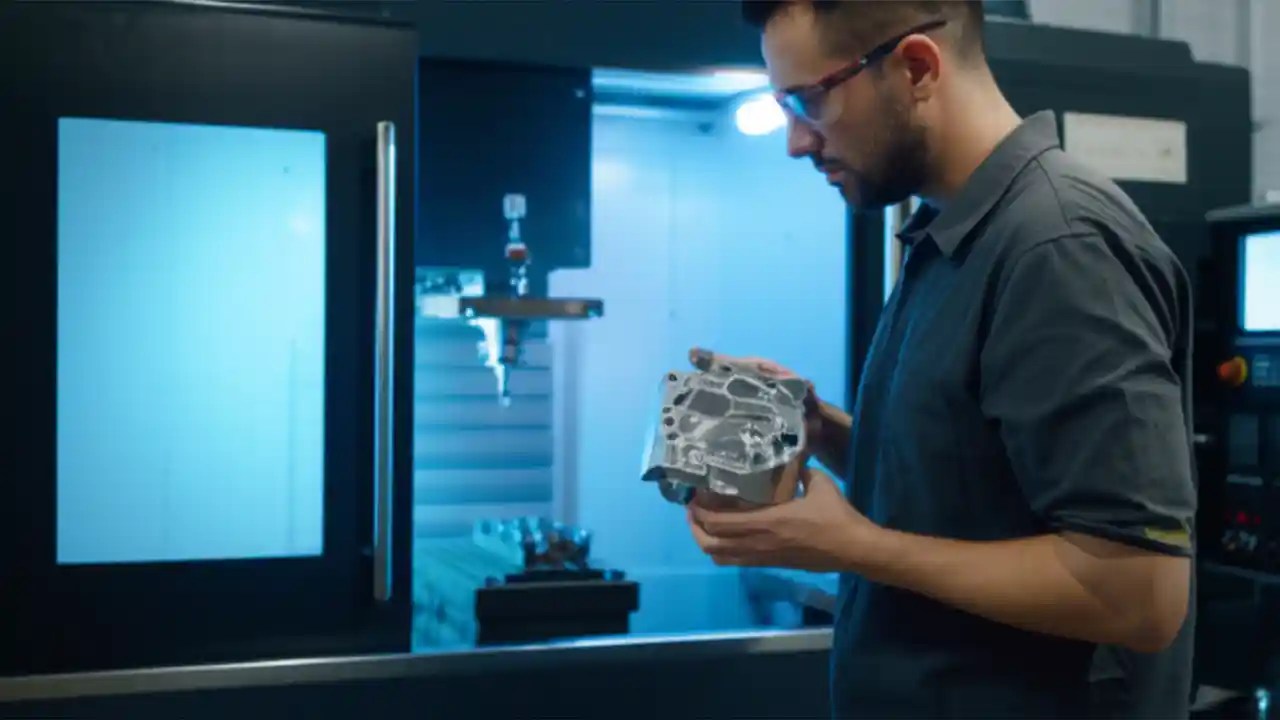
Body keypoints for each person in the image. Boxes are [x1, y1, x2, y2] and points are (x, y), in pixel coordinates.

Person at [683, 1, 1198, 718]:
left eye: (810, 102)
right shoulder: (951, 238)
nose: (797, 142)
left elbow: (1139, 592)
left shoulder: (1059, 247)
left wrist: (853, 548)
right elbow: (976, 492)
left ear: (917, 68)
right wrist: (825, 432)